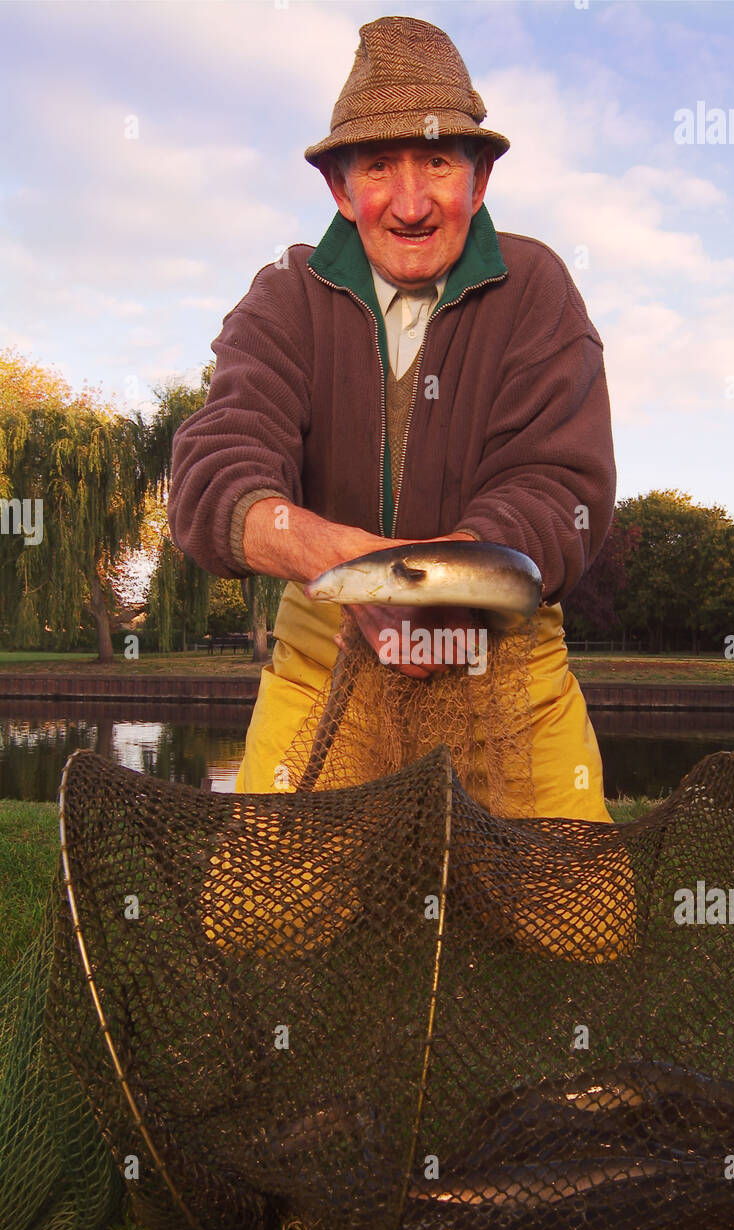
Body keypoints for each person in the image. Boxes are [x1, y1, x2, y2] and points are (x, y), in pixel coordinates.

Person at [168, 14, 617, 820]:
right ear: (341, 190)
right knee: (267, 892)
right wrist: (357, 572)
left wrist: (452, 581)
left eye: (438, 162)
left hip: (505, 654)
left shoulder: (538, 286)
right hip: (325, 648)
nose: (411, 204)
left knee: (572, 894)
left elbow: (560, 488)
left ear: (480, 179)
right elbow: (214, 477)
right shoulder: (284, 295)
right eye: (378, 166)